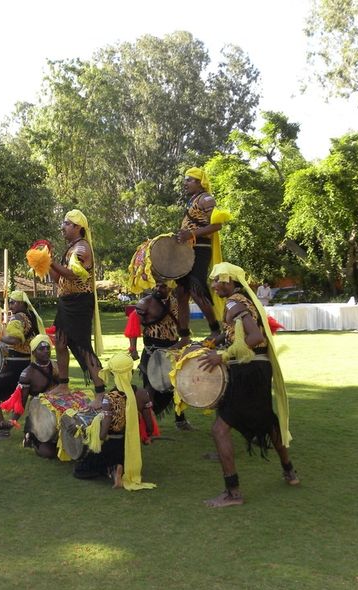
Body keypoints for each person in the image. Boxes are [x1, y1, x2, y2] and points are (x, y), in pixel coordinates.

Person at [198, 262, 299, 508]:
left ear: (230, 281)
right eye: (212, 280)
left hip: (248, 370)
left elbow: (255, 337)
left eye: (217, 280)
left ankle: (233, 493)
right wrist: (212, 343)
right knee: (267, 420)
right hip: (257, 369)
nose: (213, 285)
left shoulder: (234, 303)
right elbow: (234, 332)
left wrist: (222, 356)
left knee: (220, 429)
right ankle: (289, 472)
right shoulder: (241, 301)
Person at [72, 354, 156, 491]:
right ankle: (118, 468)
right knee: (119, 456)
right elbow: (150, 426)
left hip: (113, 442)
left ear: (112, 374)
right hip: (131, 447)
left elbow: (103, 433)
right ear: (131, 372)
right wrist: (147, 436)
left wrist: (93, 435)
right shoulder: (142, 394)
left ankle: (112, 470)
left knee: (80, 470)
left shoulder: (108, 398)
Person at [49, 209, 106, 402]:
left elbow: (73, 274)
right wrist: (46, 263)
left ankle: (100, 391)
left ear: (78, 227)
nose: (62, 227)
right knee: (60, 342)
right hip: (65, 302)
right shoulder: (71, 248)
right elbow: (58, 279)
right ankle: (63, 384)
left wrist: (51, 262)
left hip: (80, 302)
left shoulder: (82, 248)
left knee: (83, 347)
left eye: (66, 223)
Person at [174, 167, 230, 347]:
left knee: (196, 289)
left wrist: (190, 234)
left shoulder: (206, 199)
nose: (185, 183)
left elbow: (217, 225)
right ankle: (184, 336)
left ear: (199, 182)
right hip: (187, 250)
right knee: (181, 293)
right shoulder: (192, 200)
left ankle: (215, 330)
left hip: (200, 248)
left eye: (189, 180)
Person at [125, 283, 192, 431]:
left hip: (174, 348)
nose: (158, 289)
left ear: (170, 287)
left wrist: (184, 338)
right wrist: (133, 348)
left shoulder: (176, 302)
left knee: (177, 385)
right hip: (153, 350)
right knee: (150, 388)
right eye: (156, 286)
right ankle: (145, 424)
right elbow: (133, 324)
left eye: (162, 287)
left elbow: (182, 322)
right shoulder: (145, 303)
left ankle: (180, 420)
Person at [0, 290, 45, 440]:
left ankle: (4, 428)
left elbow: (16, 340)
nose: (10, 305)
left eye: (13, 302)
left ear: (22, 303)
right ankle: (11, 425)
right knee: (20, 396)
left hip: (16, 366)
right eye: (9, 302)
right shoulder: (30, 316)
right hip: (28, 363)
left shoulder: (17, 318)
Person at [16, 334, 61, 458]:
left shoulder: (57, 365)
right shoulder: (27, 373)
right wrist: (13, 420)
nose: (46, 351)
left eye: (48, 348)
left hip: (59, 408)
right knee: (50, 453)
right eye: (41, 349)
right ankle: (32, 436)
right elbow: (22, 401)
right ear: (34, 352)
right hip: (39, 414)